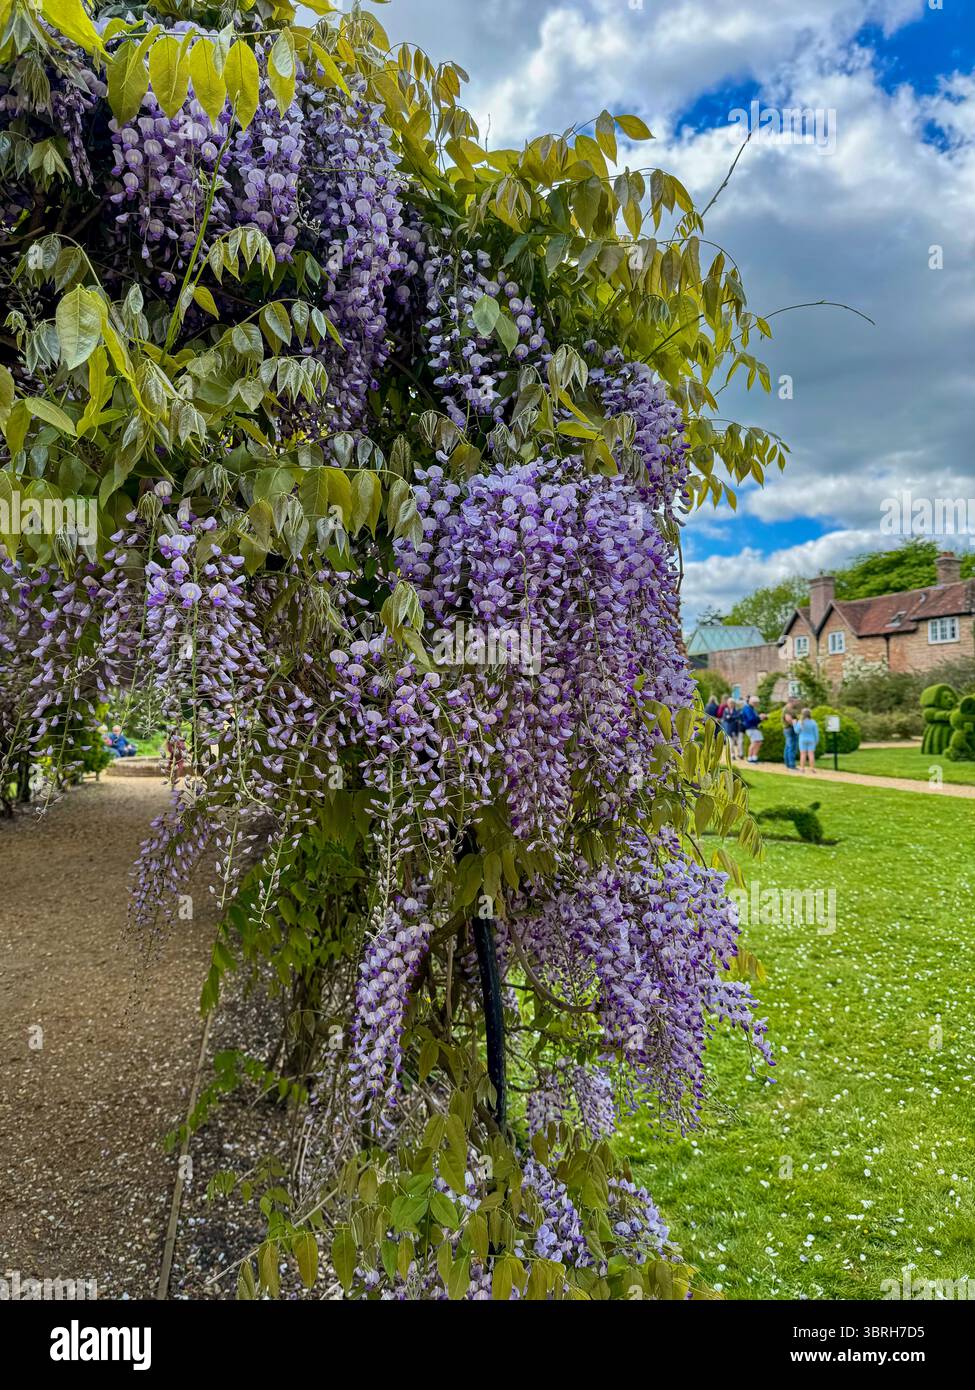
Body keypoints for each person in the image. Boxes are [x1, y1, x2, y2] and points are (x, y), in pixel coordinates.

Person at [741, 695, 767, 763]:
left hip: (754, 727)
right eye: (757, 703)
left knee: (759, 742)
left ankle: (754, 757)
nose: (757, 704)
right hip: (750, 728)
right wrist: (759, 717)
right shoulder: (747, 708)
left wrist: (760, 718)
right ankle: (750, 758)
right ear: (753, 702)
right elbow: (750, 719)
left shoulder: (751, 708)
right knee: (754, 742)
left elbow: (755, 719)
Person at [797, 707, 819, 773]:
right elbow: (816, 733)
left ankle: (802, 769)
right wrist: (817, 740)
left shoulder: (800, 722)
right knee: (811, 754)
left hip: (802, 739)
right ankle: (812, 769)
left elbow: (797, 731)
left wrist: (795, 724)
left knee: (803, 754)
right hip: (811, 739)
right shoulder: (813, 722)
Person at [783, 703, 799, 770]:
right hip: (790, 729)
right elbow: (788, 719)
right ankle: (791, 765)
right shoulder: (787, 710)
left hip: (788, 729)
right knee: (792, 747)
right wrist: (795, 724)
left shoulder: (787, 710)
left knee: (788, 747)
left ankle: (788, 764)